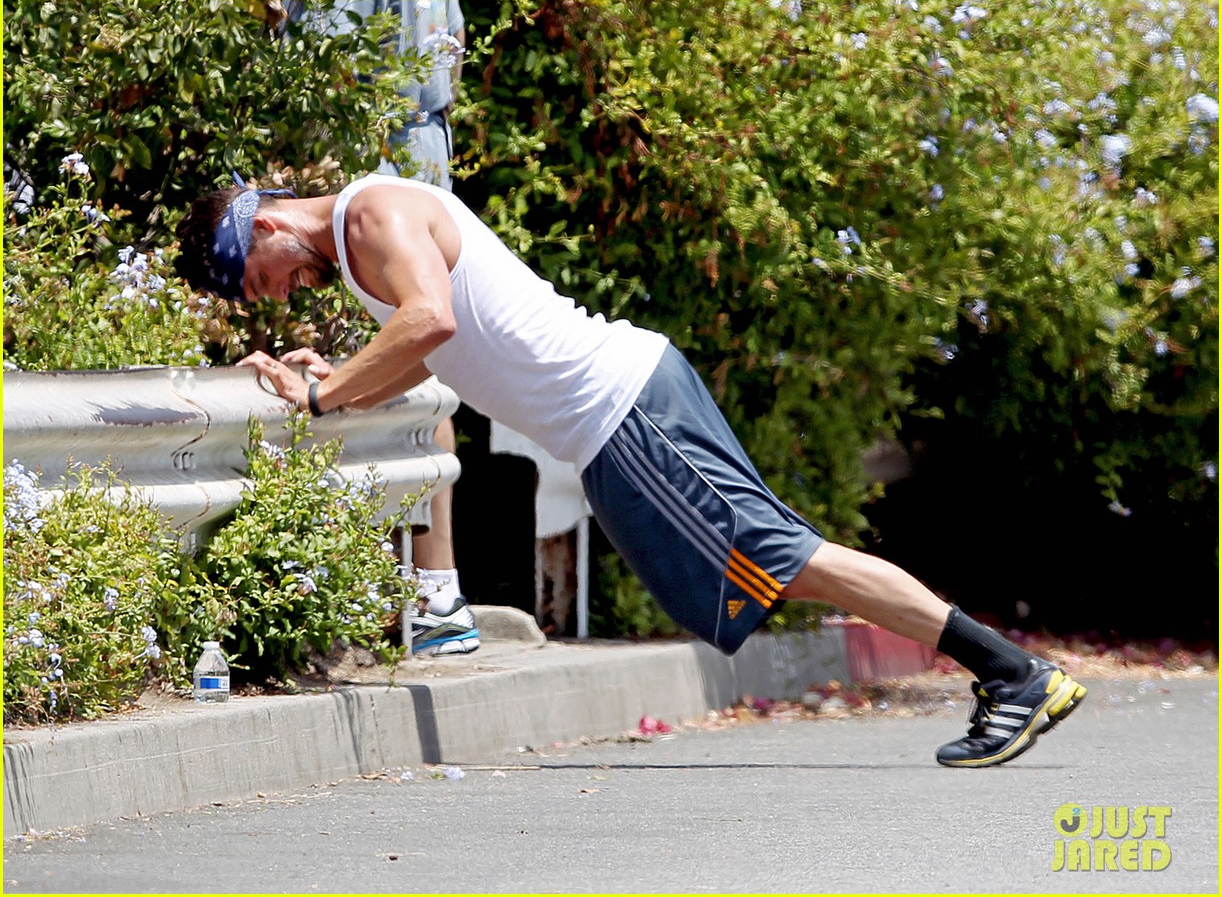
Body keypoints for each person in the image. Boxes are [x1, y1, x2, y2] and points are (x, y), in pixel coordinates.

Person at [174, 172, 1088, 767]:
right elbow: (427, 353)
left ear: (263, 224)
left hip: (623, 415)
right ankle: (1008, 670)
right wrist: (324, 379)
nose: (271, 295)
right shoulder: (365, 237)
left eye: (255, 279)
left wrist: (325, 400)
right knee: (780, 565)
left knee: (788, 559)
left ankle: (1011, 671)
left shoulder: (370, 214)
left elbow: (431, 324)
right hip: (619, 423)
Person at [283, 0, 476, 656]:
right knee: (419, 365)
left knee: (368, 360)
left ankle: (377, 587)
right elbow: (453, 49)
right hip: (427, 148)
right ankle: (435, 586)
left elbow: (327, 63)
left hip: (367, 153)